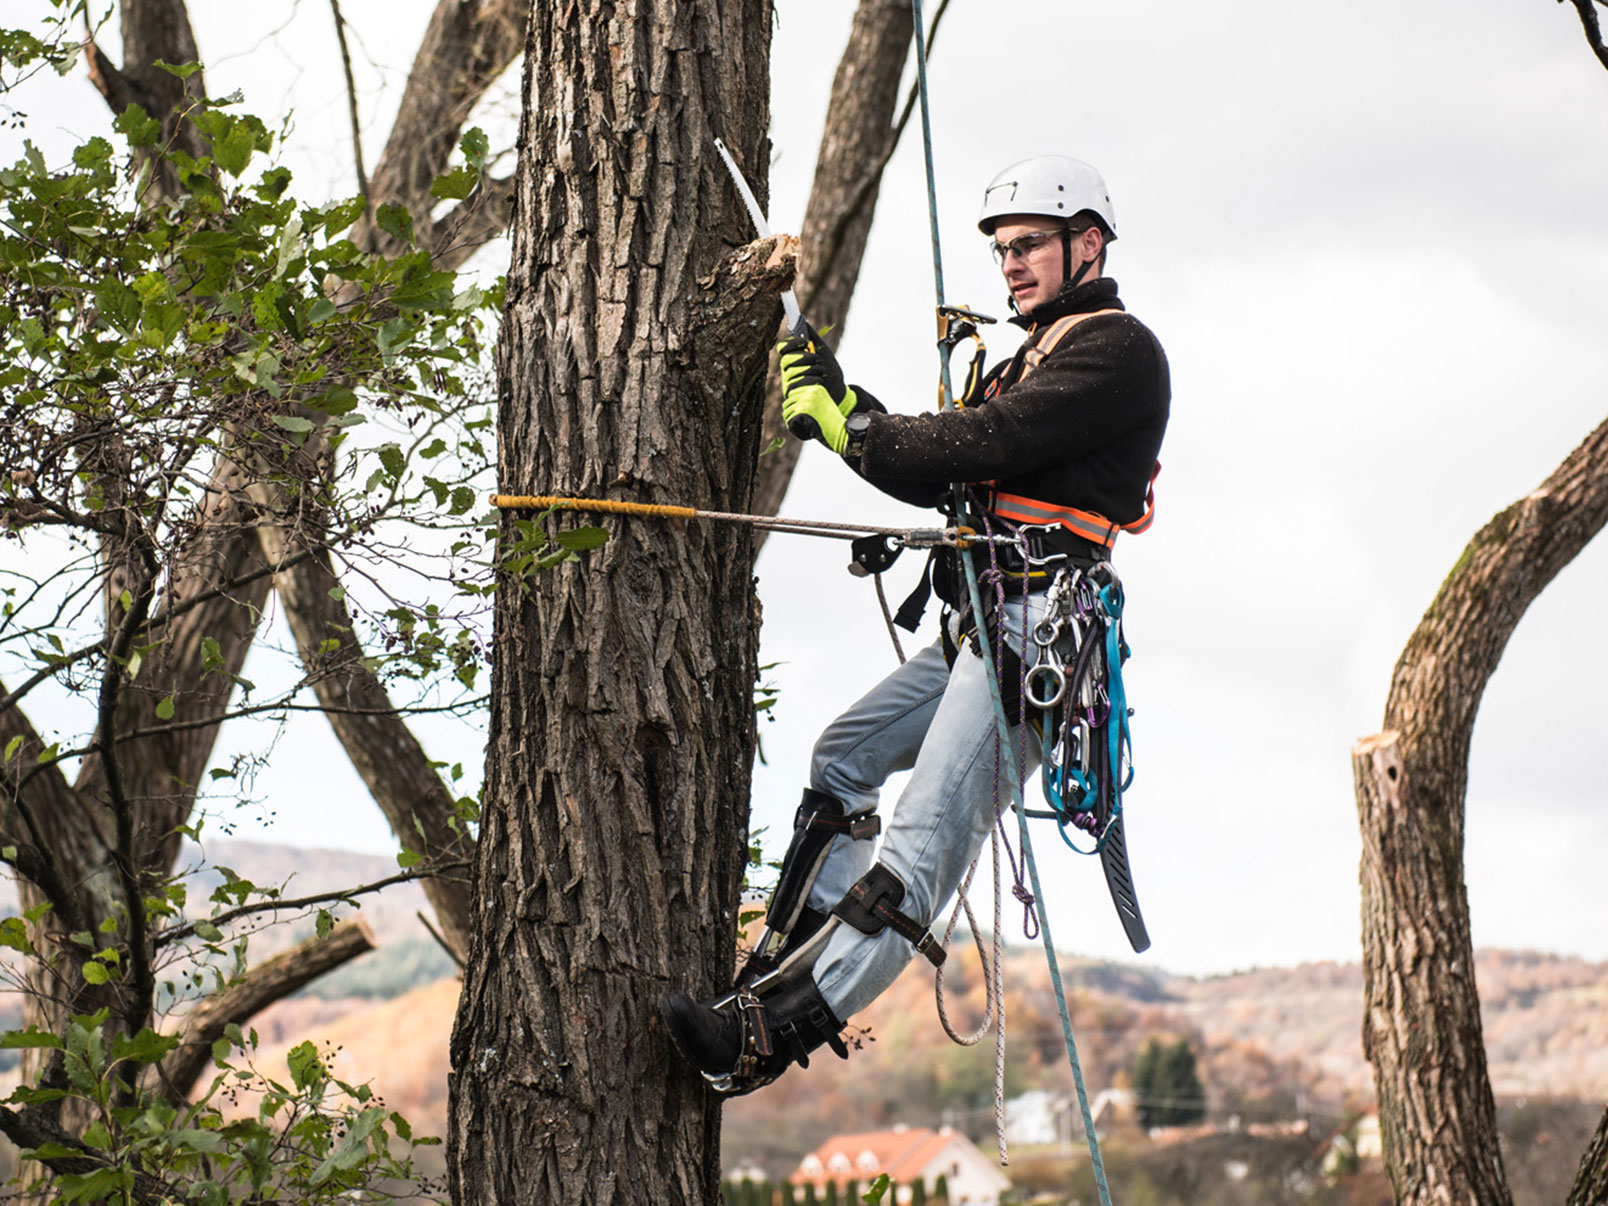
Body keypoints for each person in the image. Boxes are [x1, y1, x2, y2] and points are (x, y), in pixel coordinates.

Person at [661, 155, 1170, 1093]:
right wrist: (848, 405)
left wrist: (851, 427)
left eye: (1028, 247)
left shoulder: (1117, 351)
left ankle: (762, 1039)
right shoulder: (1034, 352)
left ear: (1086, 243)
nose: (1011, 266)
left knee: (921, 849)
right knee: (842, 756)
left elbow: (989, 444)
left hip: (1033, 641)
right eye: (1003, 251)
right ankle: (782, 964)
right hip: (983, 619)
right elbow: (947, 467)